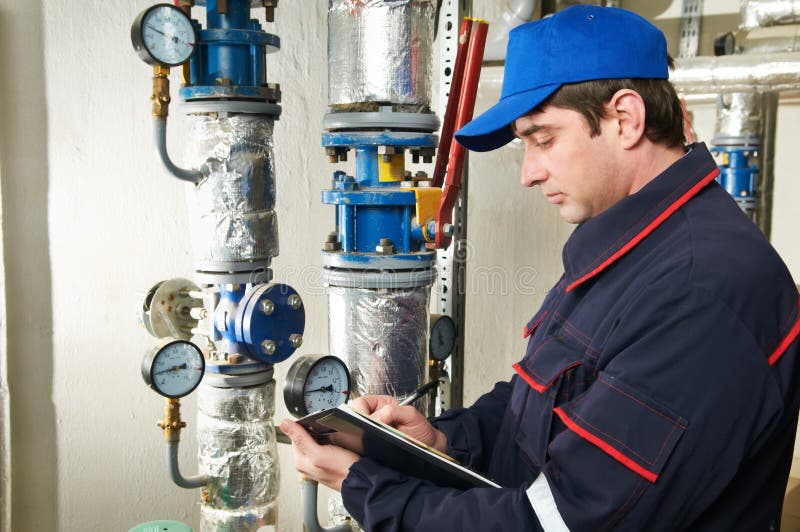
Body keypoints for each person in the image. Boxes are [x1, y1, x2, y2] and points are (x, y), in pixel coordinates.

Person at [281, 5, 800, 530]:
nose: (529, 172)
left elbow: (564, 521)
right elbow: (547, 402)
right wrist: (444, 441)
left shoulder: (700, 288)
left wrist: (369, 488)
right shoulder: (633, 244)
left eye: (544, 139)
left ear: (625, 118)